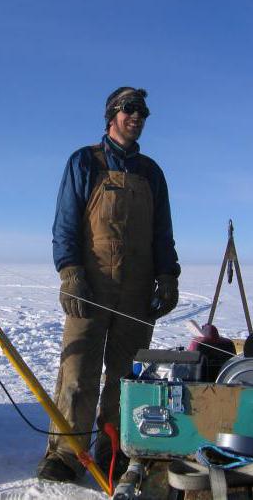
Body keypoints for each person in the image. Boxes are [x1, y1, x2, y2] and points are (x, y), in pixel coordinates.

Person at [37, 87, 181, 482]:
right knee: (78, 373)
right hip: (91, 283)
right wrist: (70, 272)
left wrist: (168, 275)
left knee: (126, 377)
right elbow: (65, 223)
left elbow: (162, 232)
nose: (138, 117)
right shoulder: (84, 161)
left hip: (136, 291)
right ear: (112, 115)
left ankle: (113, 452)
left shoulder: (151, 172)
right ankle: (66, 455)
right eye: (130, 109)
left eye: (143, 112)